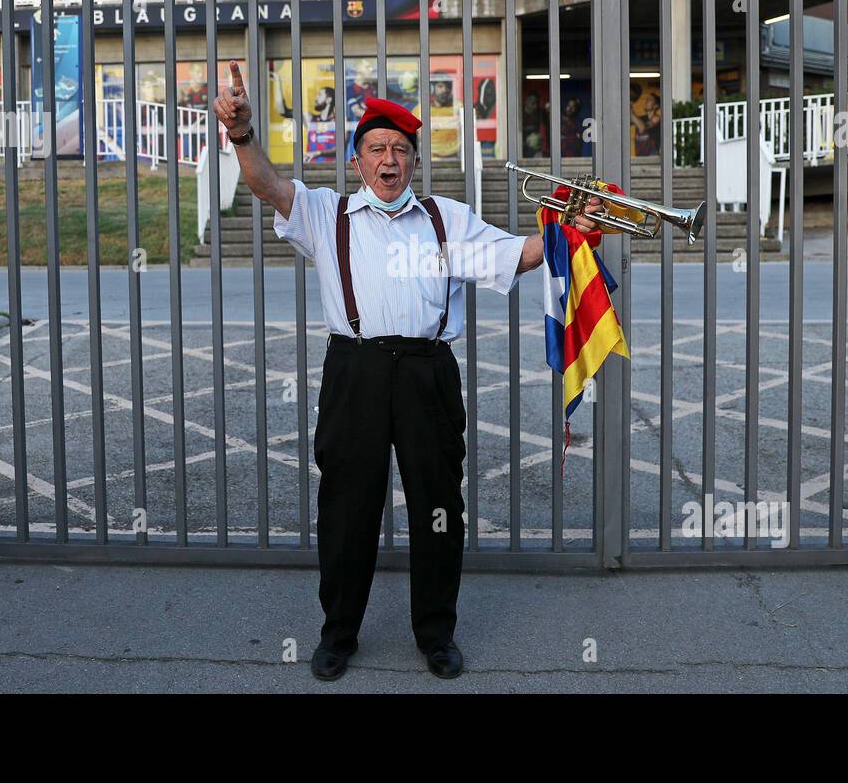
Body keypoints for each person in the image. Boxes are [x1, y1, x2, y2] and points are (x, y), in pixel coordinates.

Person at [212, 60, 601, 681]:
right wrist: (240, 133)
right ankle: (338, 634)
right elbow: (265, 185)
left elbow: (515, 255)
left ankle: (436, 636)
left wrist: (565, 234)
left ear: (414, 162)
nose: (388, 160)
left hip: (427, 374)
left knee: (438, 506)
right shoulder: (325, 214)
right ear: (358, 161)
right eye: (375, 149)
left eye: (399, 149)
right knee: (347, 508)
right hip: (356, 371)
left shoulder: (446, 220)